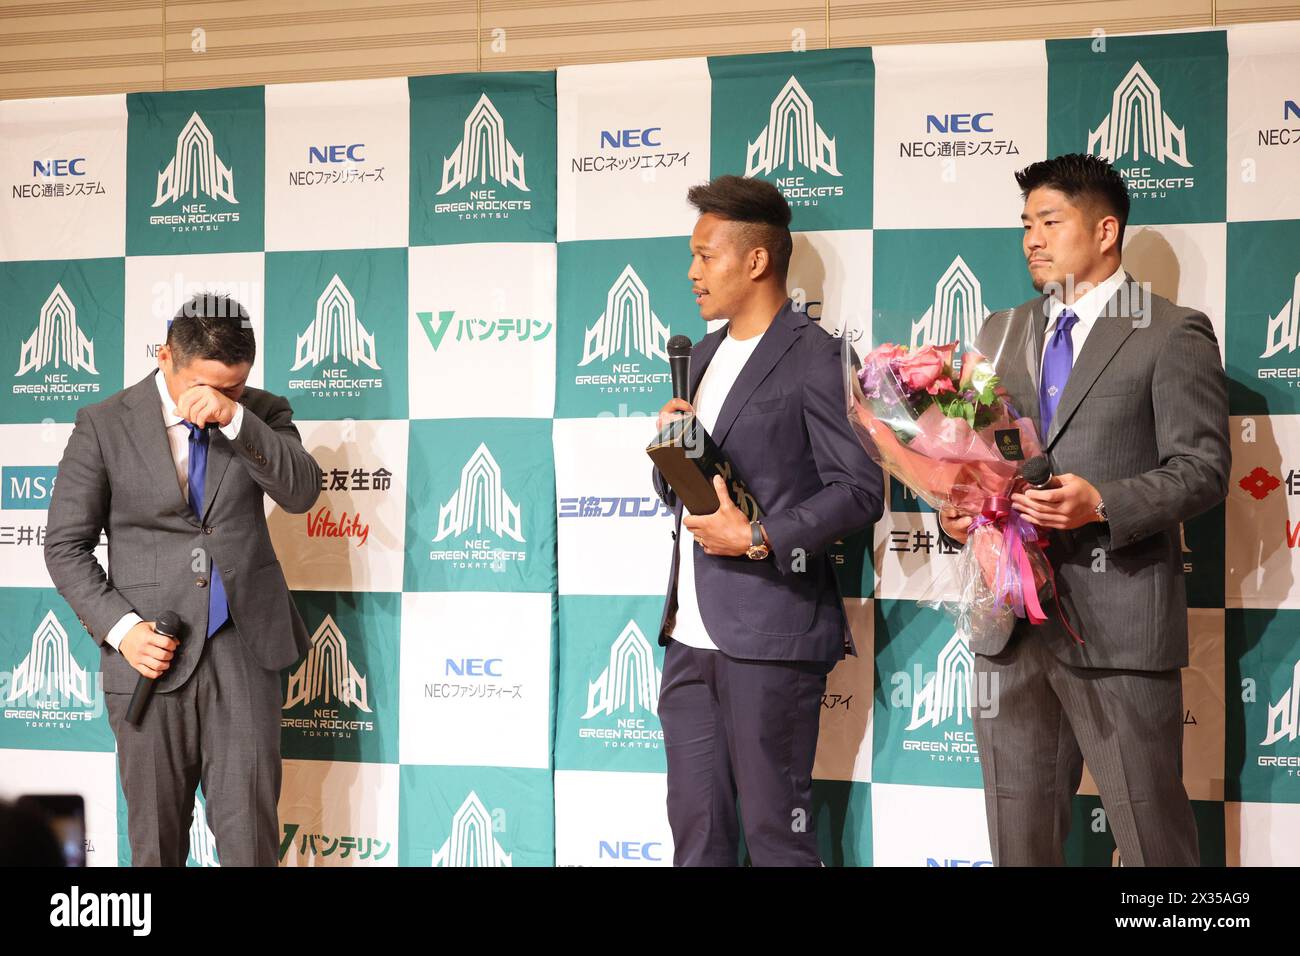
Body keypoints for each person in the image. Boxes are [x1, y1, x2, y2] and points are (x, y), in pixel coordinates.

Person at [939, 153, 1230, 865]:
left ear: (1105, 230)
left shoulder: (1170, 331)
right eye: (1025, 224)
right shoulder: (998, 332)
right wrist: (960, 510)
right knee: (1020, 845)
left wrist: (1102, 502)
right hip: (1009, 628)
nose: (1031, 239)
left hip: (1119, 627)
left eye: (1049, 220)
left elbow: (1204, 469)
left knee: (1153, 839)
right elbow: (968, 460)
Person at [651, 175, 883, 866]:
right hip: (689, 639)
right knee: (697, 840)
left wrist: (757, 537)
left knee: (780, 842)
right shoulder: (705, 355)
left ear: (755, 260)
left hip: (772, 637)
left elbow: (861, 489)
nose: (692, 273)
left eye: (705, 255)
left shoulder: (818, 355)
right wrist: (671, 452)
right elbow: (690, 498)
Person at [45, 293, 322, 866]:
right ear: (165, 354)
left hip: (244, 651)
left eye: (235, 387)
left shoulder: (263, 414)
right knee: (156, 846)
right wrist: (123, 631)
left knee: (250, 844)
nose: (217, 399)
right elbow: (65, 547)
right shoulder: (103, 424)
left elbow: (301, 493)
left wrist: (238, 418)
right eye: (207, 385)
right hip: (150, 655)